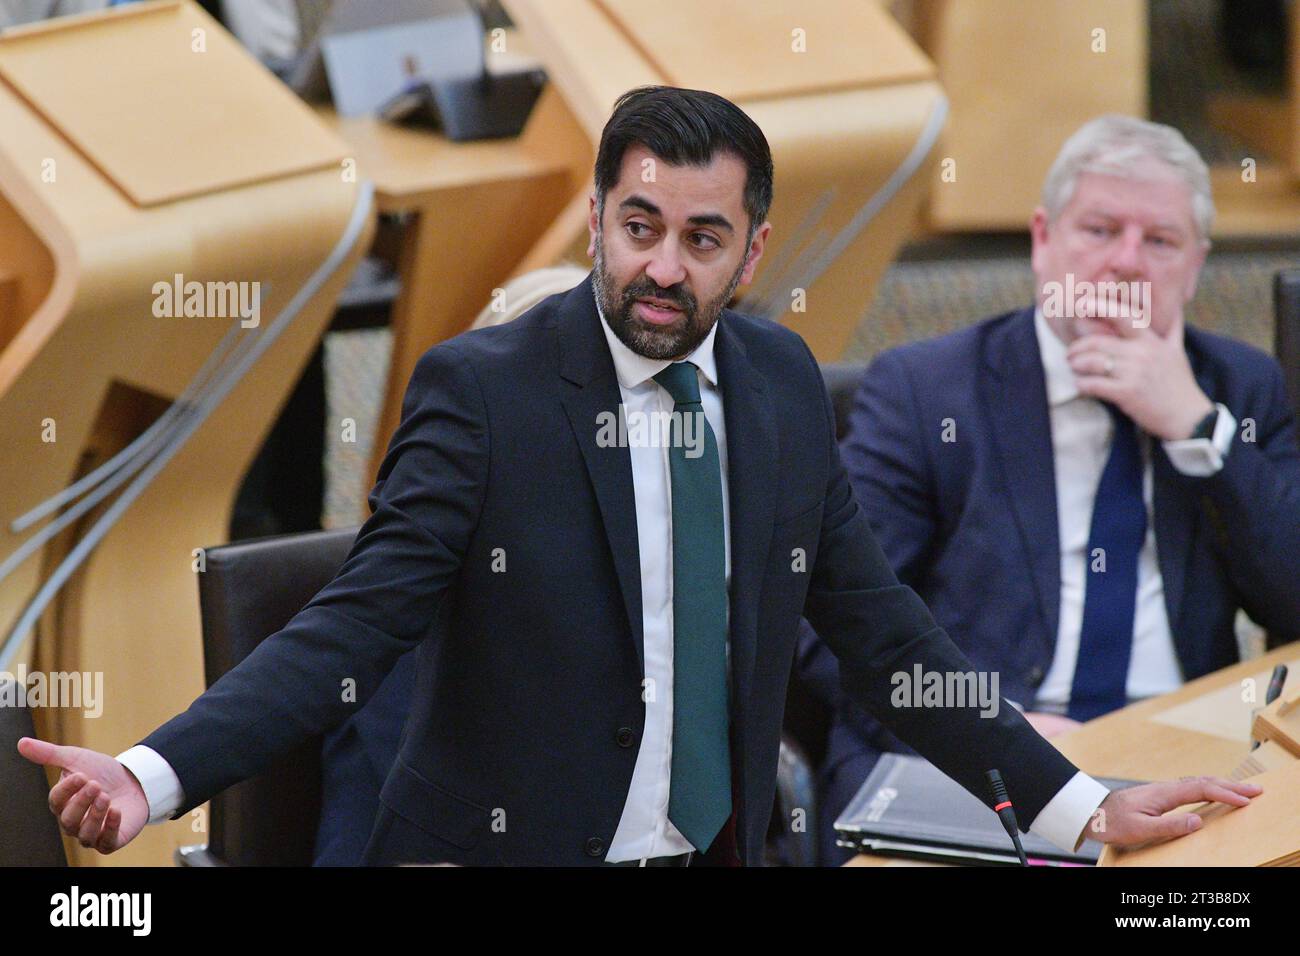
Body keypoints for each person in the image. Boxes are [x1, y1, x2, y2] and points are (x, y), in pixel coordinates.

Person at [21, 90, 1260, 866]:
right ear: (603, 219)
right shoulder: (484, 392)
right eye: (639, 226)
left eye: (703, 238)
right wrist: (149, 772)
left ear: (752, 248)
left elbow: (886, 637)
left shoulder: (776, 388)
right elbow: (354, 622)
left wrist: (1079, 804)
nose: (663, 269)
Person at [803, 114, 1300, 864]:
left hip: (1178, 751)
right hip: (975, 757)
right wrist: (992, 729)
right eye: (1099, 231)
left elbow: (1294, 605)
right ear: (1043, 241)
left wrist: (1198, 431)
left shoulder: (1236, 387)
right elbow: (829, 634)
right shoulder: (926, 391)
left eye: (1160, 242)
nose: (1127, 264)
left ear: (1196, 266)